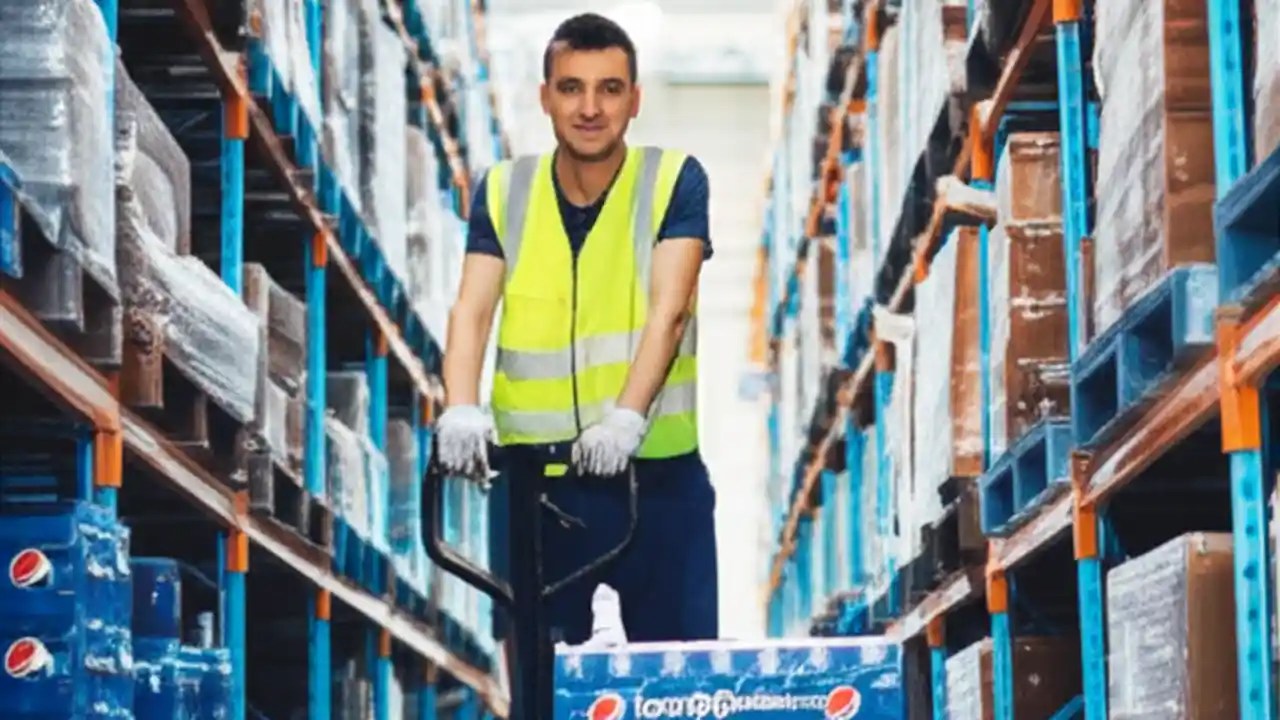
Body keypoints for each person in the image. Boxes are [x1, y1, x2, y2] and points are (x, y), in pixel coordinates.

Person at [434, 11, 719, 647]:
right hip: (538, 489)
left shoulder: (674, 179)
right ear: (546, 97)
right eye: (571, 88)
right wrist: (458, 407)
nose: (590, 107)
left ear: (634, 99)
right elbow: (471, 309)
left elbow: (670, 309)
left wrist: (625, 419)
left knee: (670, 679)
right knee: (540, 681)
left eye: (609, 88)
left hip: (656, 480)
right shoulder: (506, 189)